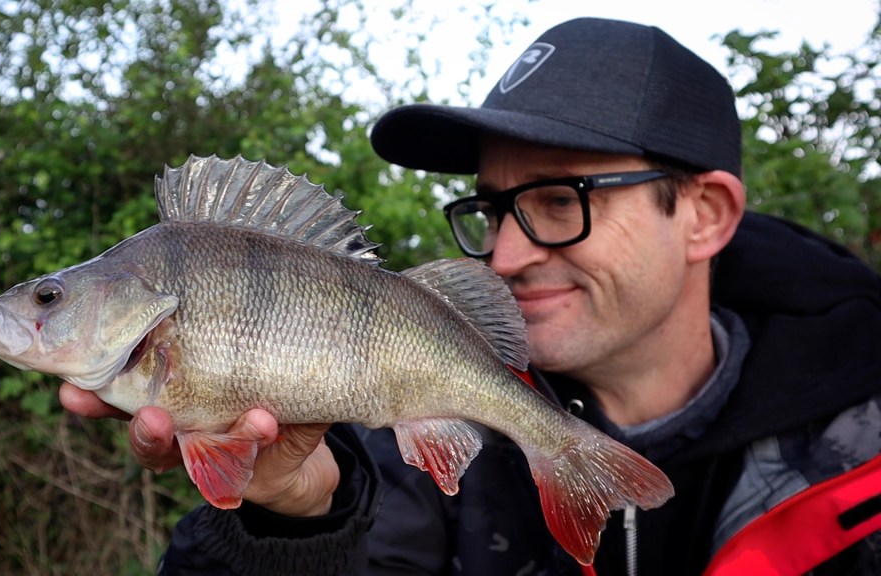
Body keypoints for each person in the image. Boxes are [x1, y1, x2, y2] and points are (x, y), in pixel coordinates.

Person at [60, 17, 881, 575]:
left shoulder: (864, 442)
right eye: (490, 208)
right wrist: (292, 522)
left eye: (563, 201)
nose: (508, 252)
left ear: (703, 215)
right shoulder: (389, 453)